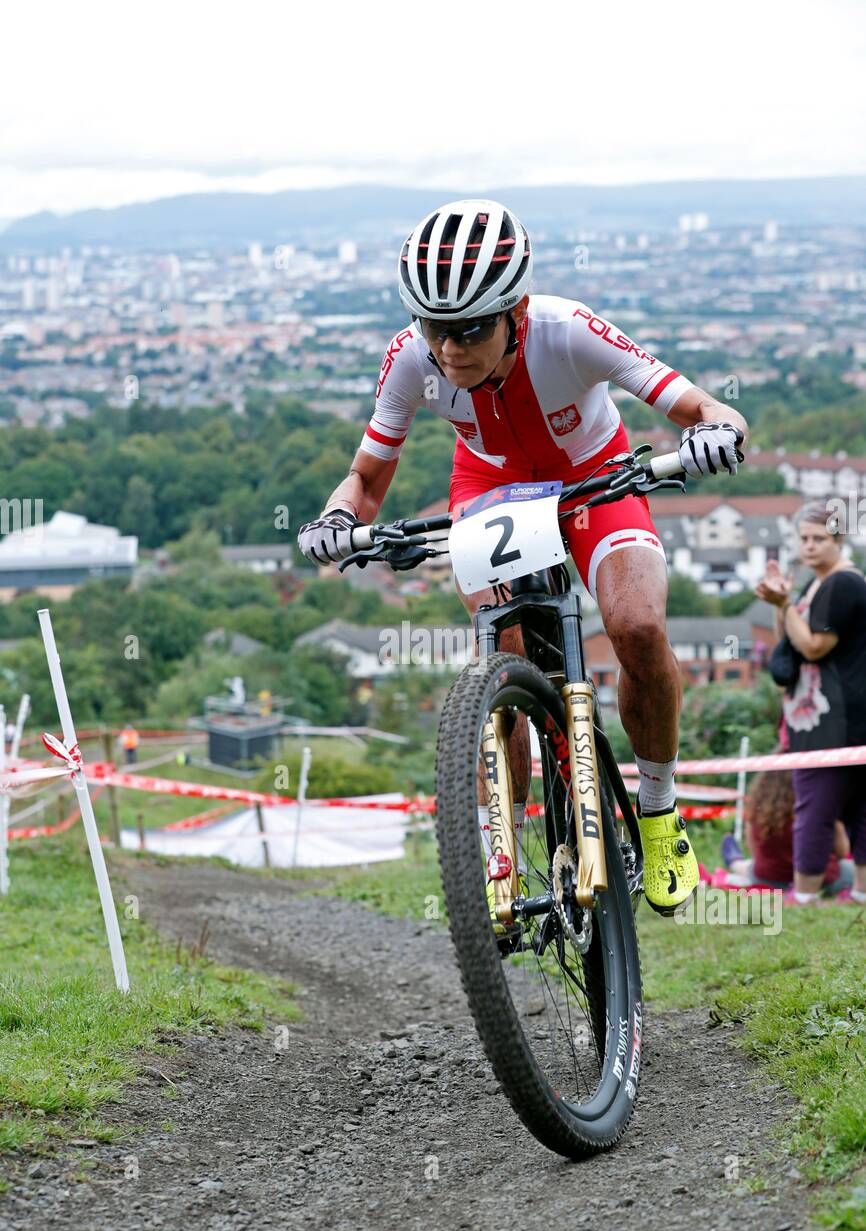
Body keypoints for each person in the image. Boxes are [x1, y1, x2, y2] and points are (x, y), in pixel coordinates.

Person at [298, 198, 748, 916]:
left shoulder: (569, 333)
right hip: (489, 490)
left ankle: (659, 811)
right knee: (500, 663)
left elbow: (702, 408)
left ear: (517, 310)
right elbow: (365, 480)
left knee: (635, 627)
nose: (449, 349)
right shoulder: (410, 358)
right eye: (435, 327)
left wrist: (719, 430)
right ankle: (501, 844)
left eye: (470, 328)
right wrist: (336, 518)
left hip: (594, 477)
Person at [757, 499, 866, 906]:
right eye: (803, 538)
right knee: (855, 805)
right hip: (831, 716)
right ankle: (858, 892)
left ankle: (804, 895)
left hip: (832, 720)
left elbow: (814, 646)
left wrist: (785, 606)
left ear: (838, 540)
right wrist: (781, 604)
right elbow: (789, 644)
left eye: (819, 538)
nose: (809, 546)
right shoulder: (817, 583)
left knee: (815, 806)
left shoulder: (843, 583)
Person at [720, 769, 853, 896]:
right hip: (822, 879)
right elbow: (842, 851)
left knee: (751, 867)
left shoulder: (760, 807)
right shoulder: (819, 805)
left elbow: (756, 852)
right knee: (857, 869)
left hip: (770, 878)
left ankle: (734, 861)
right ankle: (735, 861)